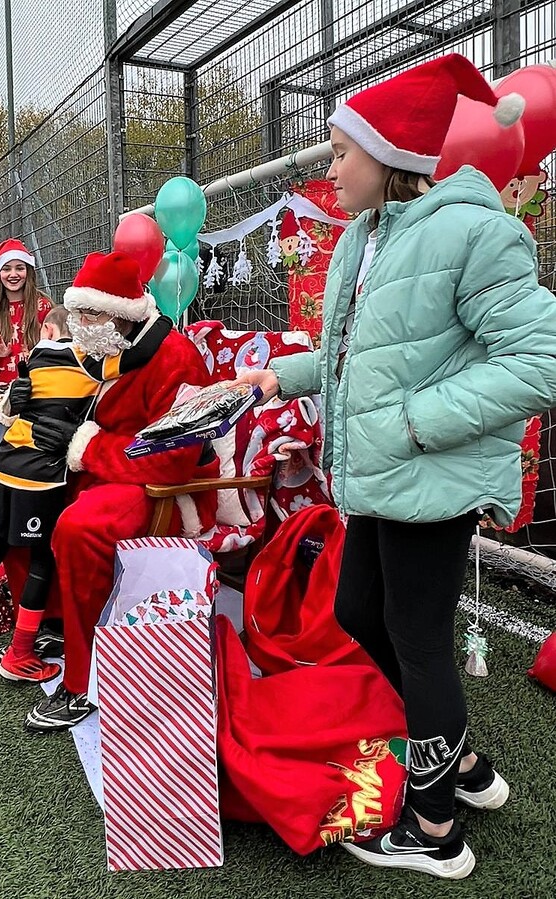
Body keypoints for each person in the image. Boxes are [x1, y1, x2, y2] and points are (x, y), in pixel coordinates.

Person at [237, 55, 556, 879]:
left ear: (391, 156)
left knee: (417, 640)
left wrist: (415, 423)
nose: (332, 168)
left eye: (343, 151)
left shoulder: (476, 232)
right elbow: (358, 355)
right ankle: (462, 763)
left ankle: (435, 828)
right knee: (357, 610)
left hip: (431, 478)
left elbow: (539, 361)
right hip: (380, 474)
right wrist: (280, 376)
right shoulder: (364, 237)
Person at [0, 253, 218, 726]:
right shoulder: (102, 343)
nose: (80, 324)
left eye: (91, 314)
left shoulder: (176, 358)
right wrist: (24, 403)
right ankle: (53, 619)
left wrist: (84, 445)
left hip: (154, 482)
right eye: (77, 312)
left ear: (122, 312)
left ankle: (85, 678)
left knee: (79, 529)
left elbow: (174, 456)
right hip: (97, 467)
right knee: (1, 500)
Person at [0, 266, 173, 682]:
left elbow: (20, 398)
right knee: (43, 559)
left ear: (45, 331)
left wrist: (15, 397)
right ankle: (20, 653)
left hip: (7, 463)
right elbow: (137, 356)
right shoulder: (88, 360)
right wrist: (159, 320)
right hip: (40, 474)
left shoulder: (35, 358)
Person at [0, 239, 51, 445]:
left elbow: (56, 347)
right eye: (7, 268)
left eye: (19, 268)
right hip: (1, 397)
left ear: (28, 271)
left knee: (38, 447)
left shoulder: (43, 306)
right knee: (5, 448)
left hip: (37, 391)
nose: (13, 274)